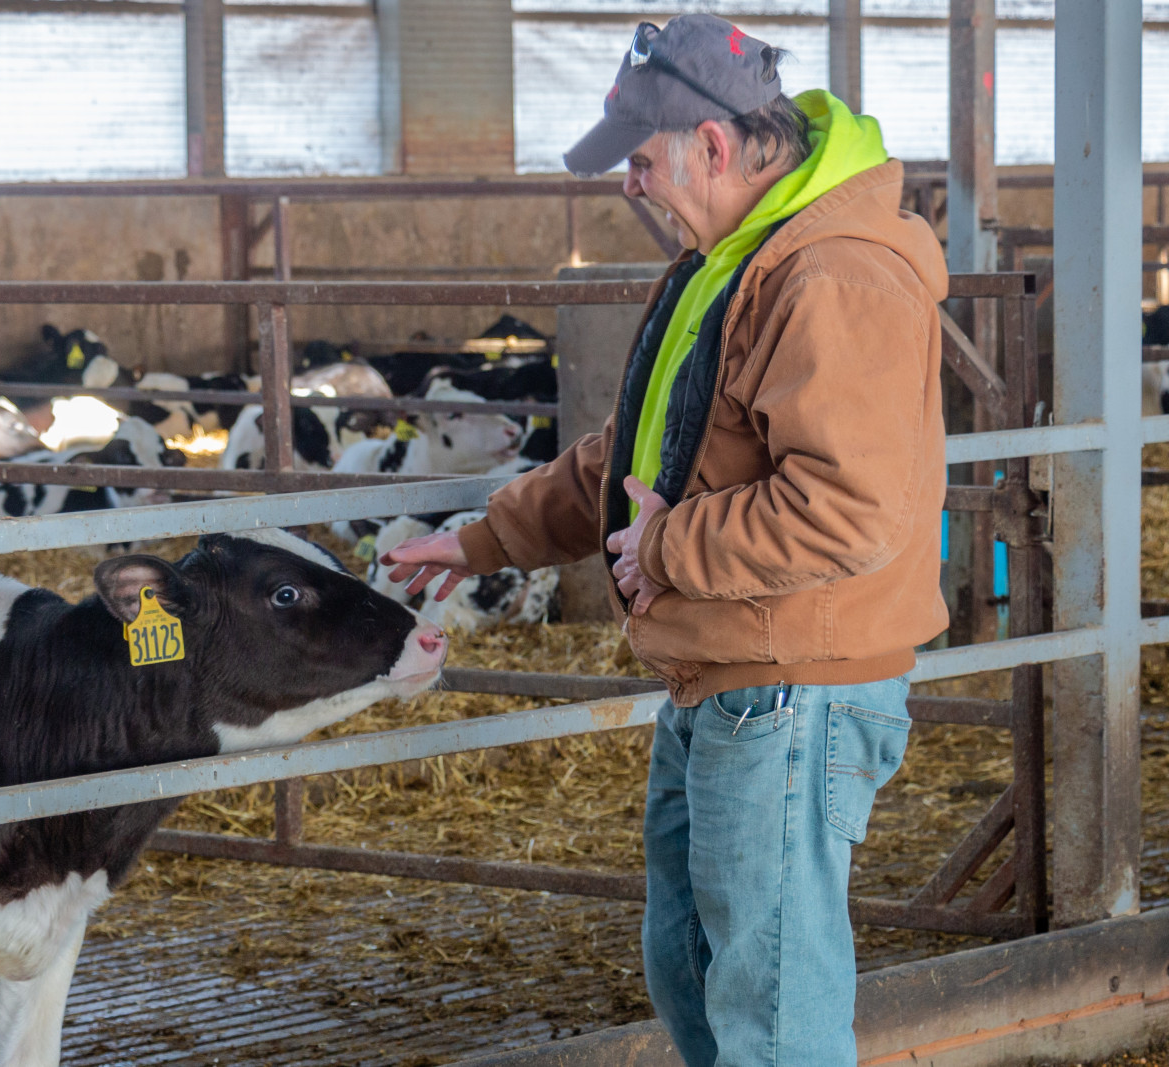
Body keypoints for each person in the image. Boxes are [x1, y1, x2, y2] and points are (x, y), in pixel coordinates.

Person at [381, 14, 948, 1066]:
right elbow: (643, 453)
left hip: (791, 678)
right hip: (723, 667)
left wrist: (669, 550)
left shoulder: (830, 275)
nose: (630, 184)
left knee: (769, 1001)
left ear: (715, 145)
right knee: (689, 965)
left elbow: (850, 505)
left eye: (641, 159)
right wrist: (482, 540)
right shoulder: (728, 257)